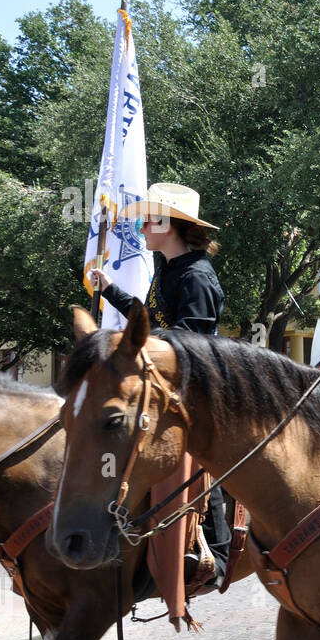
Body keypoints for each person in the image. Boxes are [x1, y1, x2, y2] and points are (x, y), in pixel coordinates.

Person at [89, 182, 231, 600]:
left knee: (199, 456)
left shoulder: (198, 276)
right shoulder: (170, 269)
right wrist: (109, 290)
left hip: (199, 387)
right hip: (172, 382)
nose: (141, 227)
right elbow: (150, 320)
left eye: (149, 219)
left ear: (170, 225)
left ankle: (216, 557)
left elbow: (194, 342)